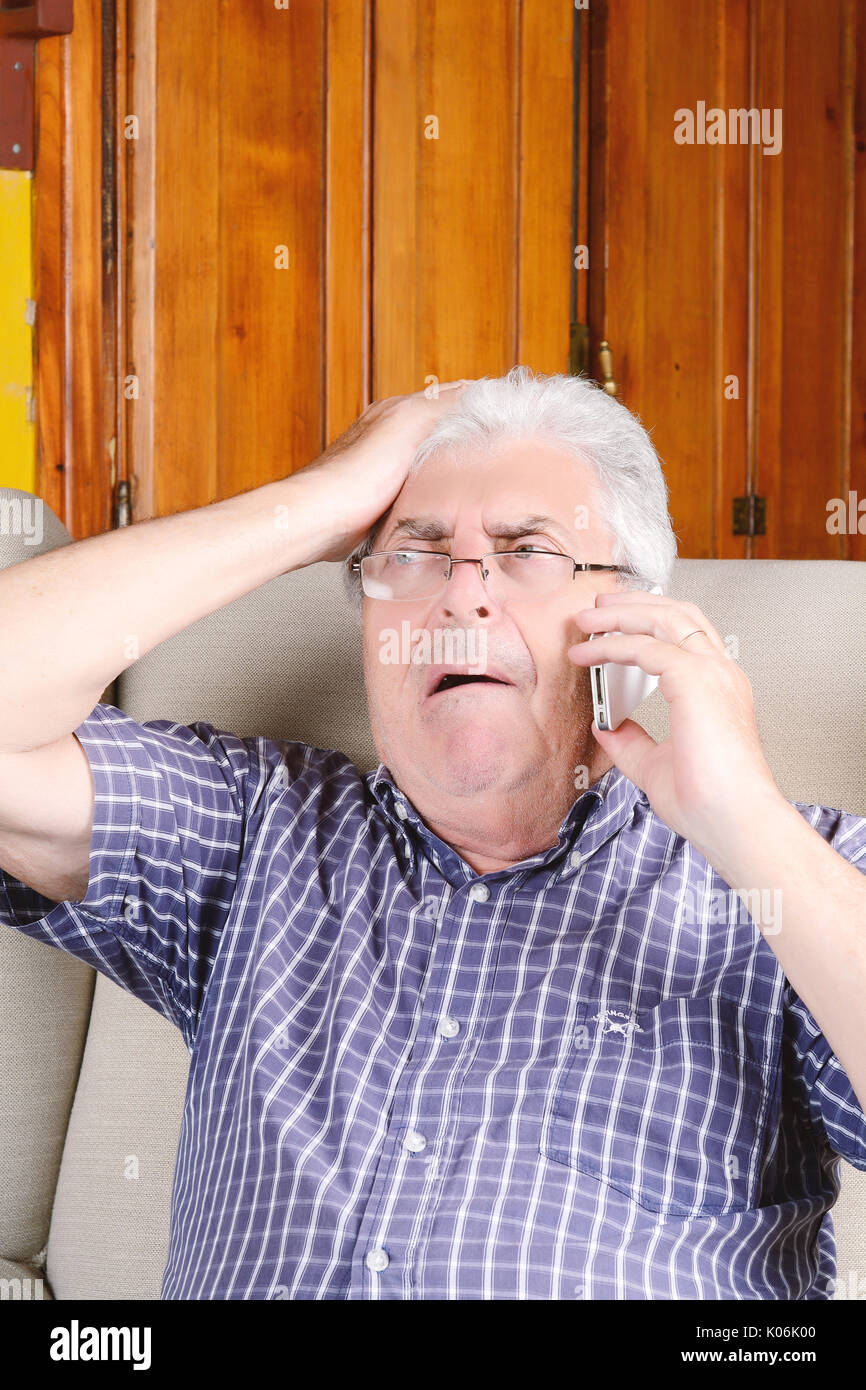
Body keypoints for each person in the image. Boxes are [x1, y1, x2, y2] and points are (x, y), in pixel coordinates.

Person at [1, 367, 864, 1300]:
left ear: (631, 618)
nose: (461, 598)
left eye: (527, 550)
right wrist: (320, 500)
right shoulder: (256, 831)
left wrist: (741, 817)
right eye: (411, 556)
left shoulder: (800, 875)